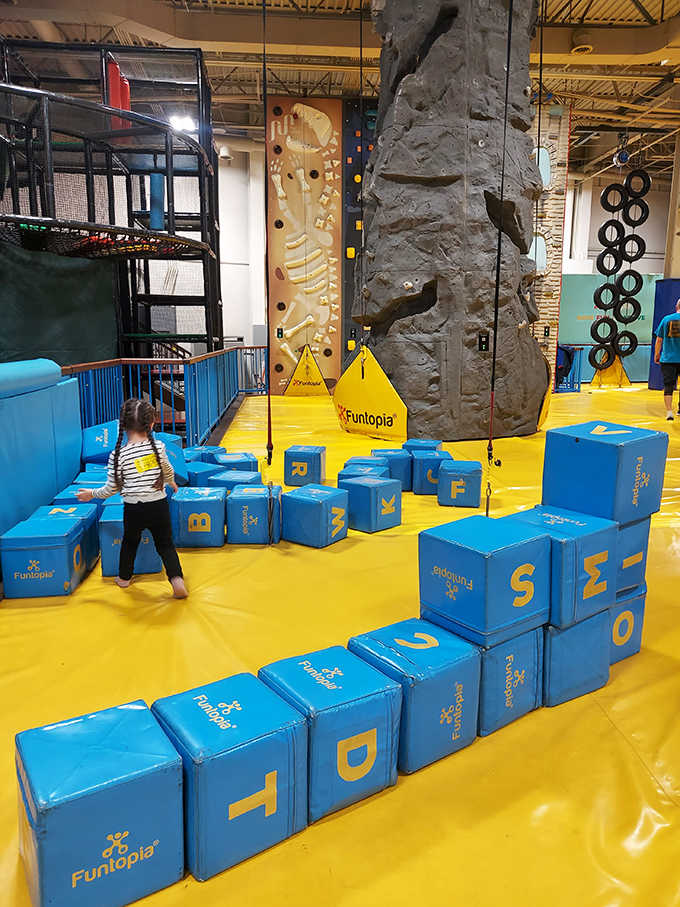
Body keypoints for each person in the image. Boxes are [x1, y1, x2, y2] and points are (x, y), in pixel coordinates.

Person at [77, 399, 188, 598]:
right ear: (152, 424)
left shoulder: (117, 455)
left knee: (129, 542)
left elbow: (111, 489)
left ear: (122, 425)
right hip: (158, 505)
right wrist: (171, 481)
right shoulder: (159, 447)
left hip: (133, 509)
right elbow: (167, 469)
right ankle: (177, 580)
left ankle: (124, 578)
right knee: (165, 545)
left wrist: (91, 494)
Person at [654, 299, 680, 421]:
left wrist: (657, 355)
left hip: (668, 359)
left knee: (668, 385)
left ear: (676, 307)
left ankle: (669, 412)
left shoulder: (666, 319)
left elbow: (659, 340)